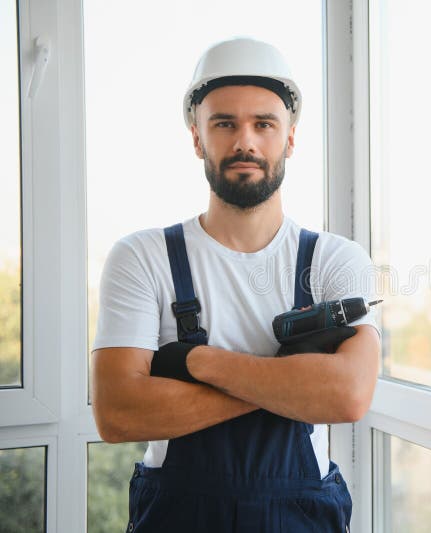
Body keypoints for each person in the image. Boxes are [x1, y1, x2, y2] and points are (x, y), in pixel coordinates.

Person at [90, 37, 381, 533]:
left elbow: (348, 397)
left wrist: (202, 363)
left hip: (300, 515)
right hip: (178, 515)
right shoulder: (142, 257)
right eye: (224, 123)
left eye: (263, 124)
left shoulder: (336, 259)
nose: (245, 141)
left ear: (289, 139)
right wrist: (290, 381)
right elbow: (118, 414)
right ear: (197, 138)